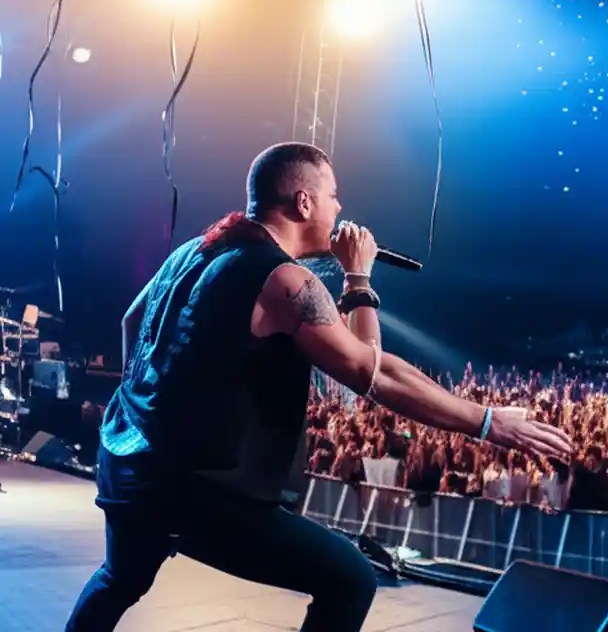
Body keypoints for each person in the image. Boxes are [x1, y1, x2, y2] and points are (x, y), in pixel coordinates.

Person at [66, 142, 573, 632]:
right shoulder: (285, 280)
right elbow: (372, 374)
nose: (340, 207)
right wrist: (487, 421)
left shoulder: (192, 252)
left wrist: (152, 407)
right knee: (349, 579)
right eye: (333, 195)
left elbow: (133, 321)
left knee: (120, 577)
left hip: (131, 466)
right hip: (199, 490)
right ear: (303, 201)